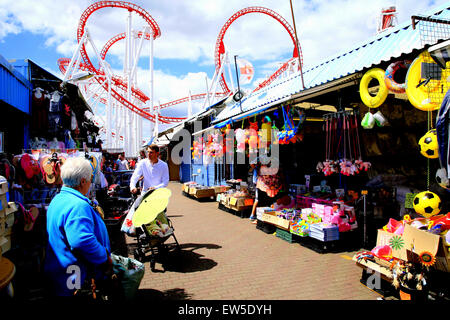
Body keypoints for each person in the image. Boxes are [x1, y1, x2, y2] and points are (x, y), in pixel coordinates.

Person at [44, 157, 112, 297]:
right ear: (82, 181)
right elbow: (81, 241)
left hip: (63, 272)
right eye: (90, 179)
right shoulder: (77, 205)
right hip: (75, 277)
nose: (90, 183)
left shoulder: (58, 199)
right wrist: (104, 257)